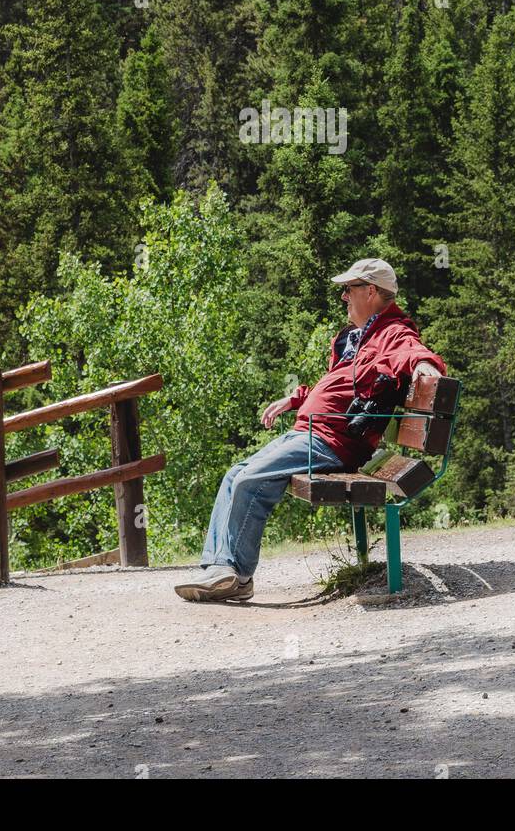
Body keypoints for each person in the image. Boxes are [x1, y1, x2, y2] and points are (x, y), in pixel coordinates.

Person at [174, 257, 446, 603]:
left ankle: (236, 575)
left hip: (332, 441)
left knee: (249, 480)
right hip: (312, 432)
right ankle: (219, 569)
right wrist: (297, 398)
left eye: (349, 290)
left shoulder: (390, 332)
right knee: (234, 474)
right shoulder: (357, 337)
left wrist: (425, 365)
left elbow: (413, 350)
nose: (344, 297)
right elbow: (337, 385)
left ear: (372, 292)